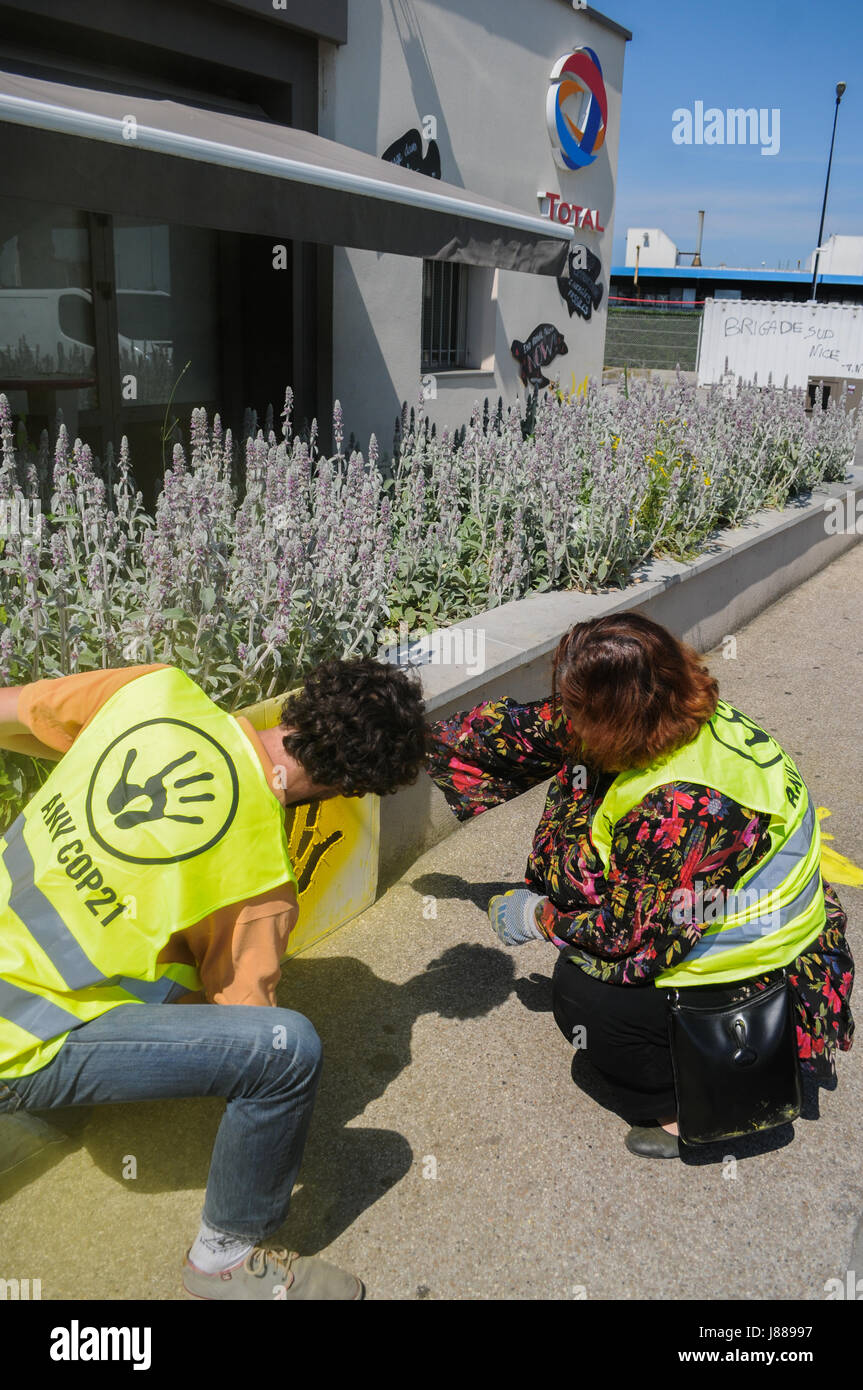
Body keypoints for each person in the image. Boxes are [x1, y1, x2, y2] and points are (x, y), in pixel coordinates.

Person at [0, 656, 428, 1299]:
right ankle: (223, 1262)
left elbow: (13, 713)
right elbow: (246, 1028)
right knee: (286, 1055)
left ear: (300, 707)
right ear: (349, 787)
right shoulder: (259, 876)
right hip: (17, 1041)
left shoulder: (155, 691)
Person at [425, 613, 854, 1158]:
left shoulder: (685, 804)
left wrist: (538, 918)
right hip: (718, 907)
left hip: (757, 965)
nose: (565, 715)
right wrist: (407, 737)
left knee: (586, 1000)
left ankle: (695, 1102)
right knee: (587, 790)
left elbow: (625, 938)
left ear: (612, 714)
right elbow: (527, 731)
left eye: (576, 705)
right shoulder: (672, 709)